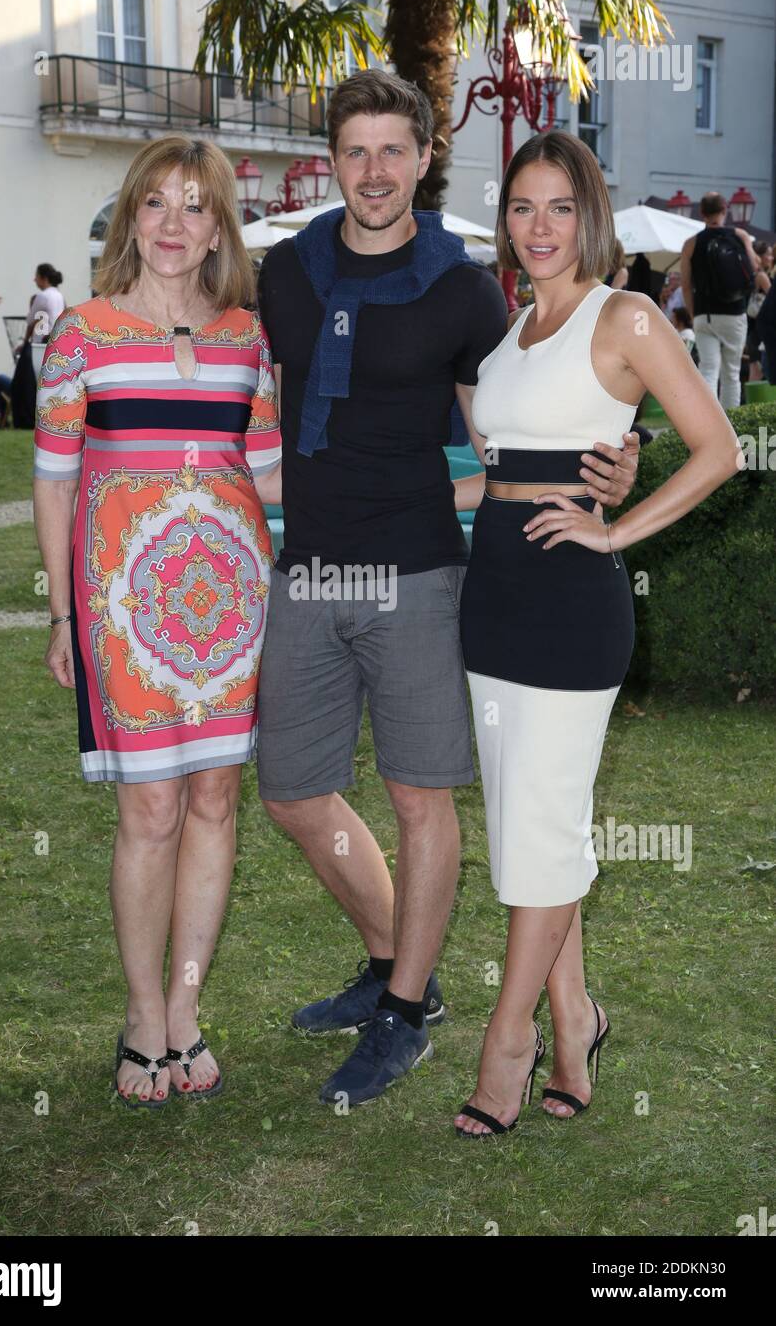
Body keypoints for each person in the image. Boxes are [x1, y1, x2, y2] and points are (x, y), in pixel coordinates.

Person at [255, 69, 640, 1109]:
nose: (373, 171)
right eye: (354, 150)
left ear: (425, 159)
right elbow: (252, 398)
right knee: (292, 791)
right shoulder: (285, 273)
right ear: (329, 161)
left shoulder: (463, 286)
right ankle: (395, 963)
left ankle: (404, 1007)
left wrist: (612, 460)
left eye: (393, 149)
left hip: (422, 570)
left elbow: (509, 422)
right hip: (309, 570)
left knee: (421, 799)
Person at [452, 130, 739, 1138]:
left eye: (558, 209)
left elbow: (719, 447)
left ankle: (507, 1043)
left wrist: (615, 525)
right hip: (489, 598)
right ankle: (573, 1019)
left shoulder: (623, 318)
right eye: (522, 208)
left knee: (540, 827)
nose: (538, 228)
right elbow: (495, 474)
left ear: (589, 218)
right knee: (526, 830)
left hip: (572, 606)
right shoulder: (507, 333)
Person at [33, 135, 281, 1110]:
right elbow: (54, 486)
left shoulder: (245, 338)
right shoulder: (80, 336)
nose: (174, 225)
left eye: (195, 206)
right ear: (129, 215)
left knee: (215, 803)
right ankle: (142, 1017)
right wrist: (60, 613)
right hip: (121, 609)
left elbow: (264, 473)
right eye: (156, 204)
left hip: (234, 612)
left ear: (219, 226)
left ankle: (184, 1011)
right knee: (150, 810)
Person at [681, 193, 758, 409]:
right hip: (735, 313)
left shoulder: (691, 243)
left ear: (702, 213)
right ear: (725, 210)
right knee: (731, 373)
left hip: (704, 315)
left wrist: (693, 312)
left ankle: (709, 425)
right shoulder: (740, 236)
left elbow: (686, 284)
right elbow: (754, 269)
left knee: (708, 369)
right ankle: (730, 425)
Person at [23, 263, 66, 351]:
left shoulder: (43, 296)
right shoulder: (59, 295)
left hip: (41, 343)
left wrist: (25, 343)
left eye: (37, 276)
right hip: (56, 341)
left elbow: (30, 321)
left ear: (44, 278)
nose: (34, 279)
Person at [746, 242, 772, 382]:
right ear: (760, 256)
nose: (771, 257)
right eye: (767, 254)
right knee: (759, 371)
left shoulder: (749, 275)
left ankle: (752, 403)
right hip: (760, 330)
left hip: (751, 329)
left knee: (754, 369)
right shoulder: (762, 276)